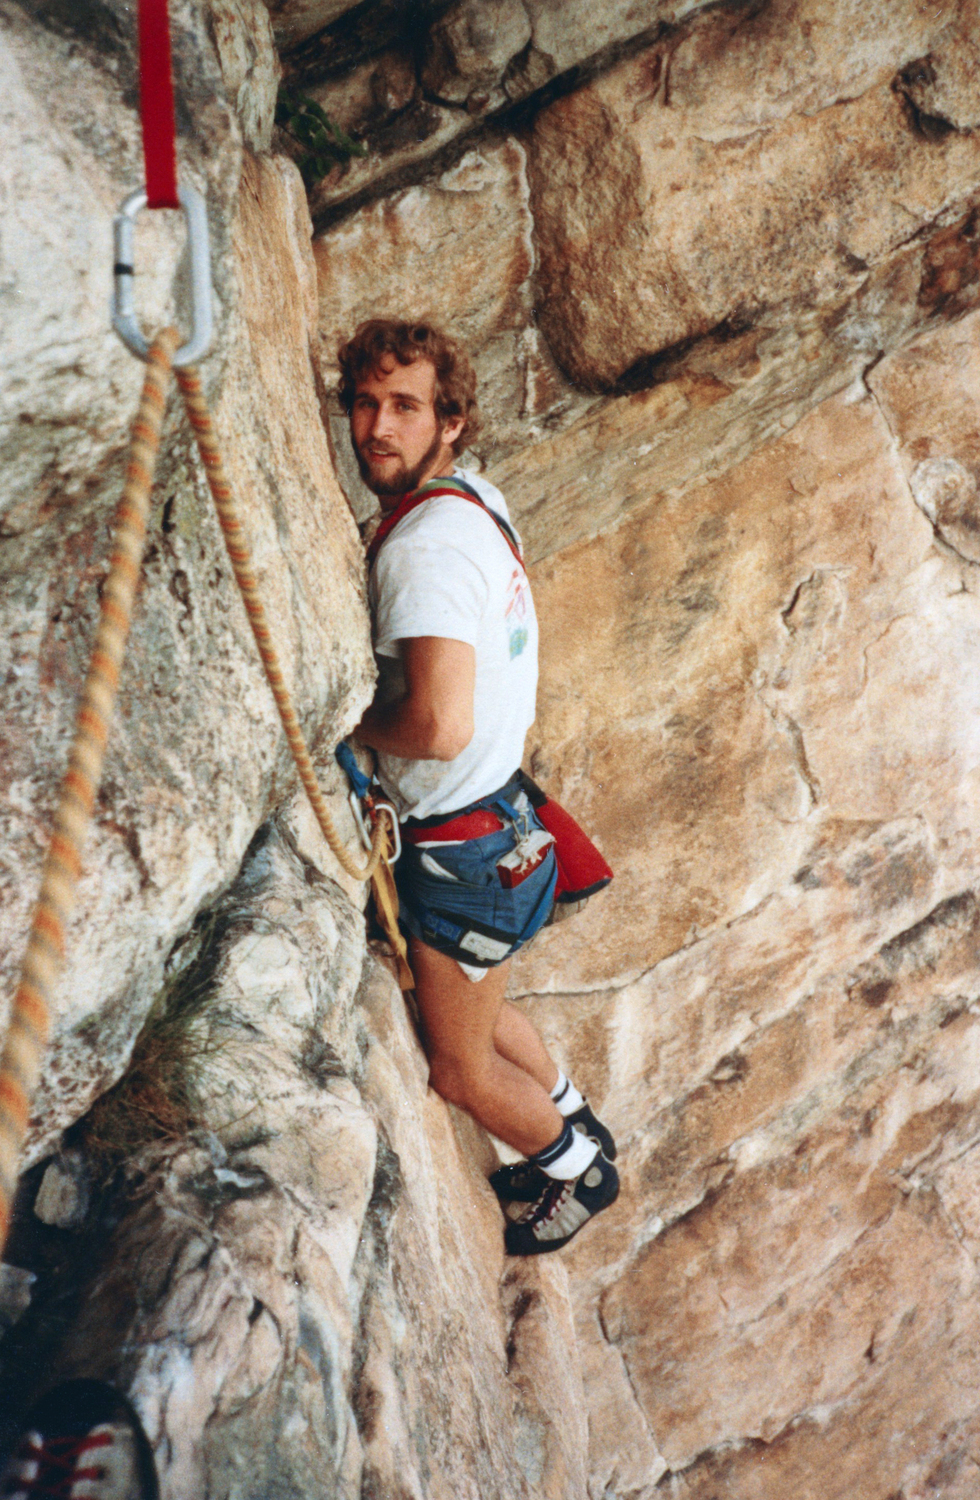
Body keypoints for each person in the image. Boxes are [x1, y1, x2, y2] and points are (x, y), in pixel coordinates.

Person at [338, 319, 619, 1256]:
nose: (377, 426)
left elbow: (436, 725)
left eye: (406, 407)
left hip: (464, 853)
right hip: (502, 827)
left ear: (448, 421)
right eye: (365, 403)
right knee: (478, 1000)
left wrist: (341, 722)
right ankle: (572, 1110)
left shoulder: (424, 552)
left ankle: (575, 1170)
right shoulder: (470, 498)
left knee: (459, 1067)